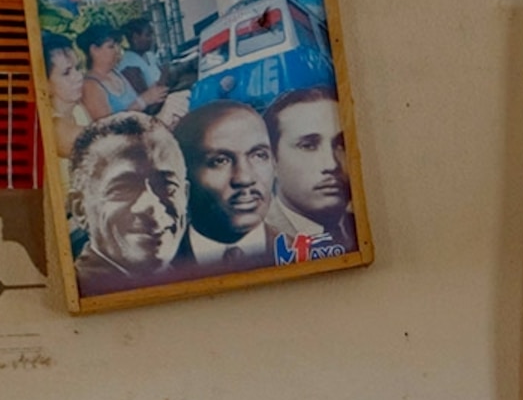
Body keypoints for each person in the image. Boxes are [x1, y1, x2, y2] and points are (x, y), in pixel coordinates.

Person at [69, 110, 190, 292]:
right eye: (124, 189)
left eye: (167, 186)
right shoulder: (81, 290)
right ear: (80, 209)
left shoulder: (192, 279)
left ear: (185, 196)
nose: (151, 205)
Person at [174, 101, 276, 273]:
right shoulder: (154, 272)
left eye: (259, 155)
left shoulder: (301, 250)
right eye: (220, 161)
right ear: (182, 174)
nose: (244, 178)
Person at [264, 86, 354, 256]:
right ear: (271, 160)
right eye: (308, 146)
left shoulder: (360, 229)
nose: (331, 164)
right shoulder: (252, 245)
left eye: (341, 145)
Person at [78, 22, 142, 125]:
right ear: (94, 50)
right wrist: (142, 102)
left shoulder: (116, 73)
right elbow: (107, 128)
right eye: (111, 46)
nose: (117, 50)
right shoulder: (90, 85)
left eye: (118, 45)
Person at [43, 36, 89, 146]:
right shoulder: (55, 126)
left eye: (77, 68)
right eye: (66, 73)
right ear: (45, 85)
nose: (79, 77)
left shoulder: (77, 109)